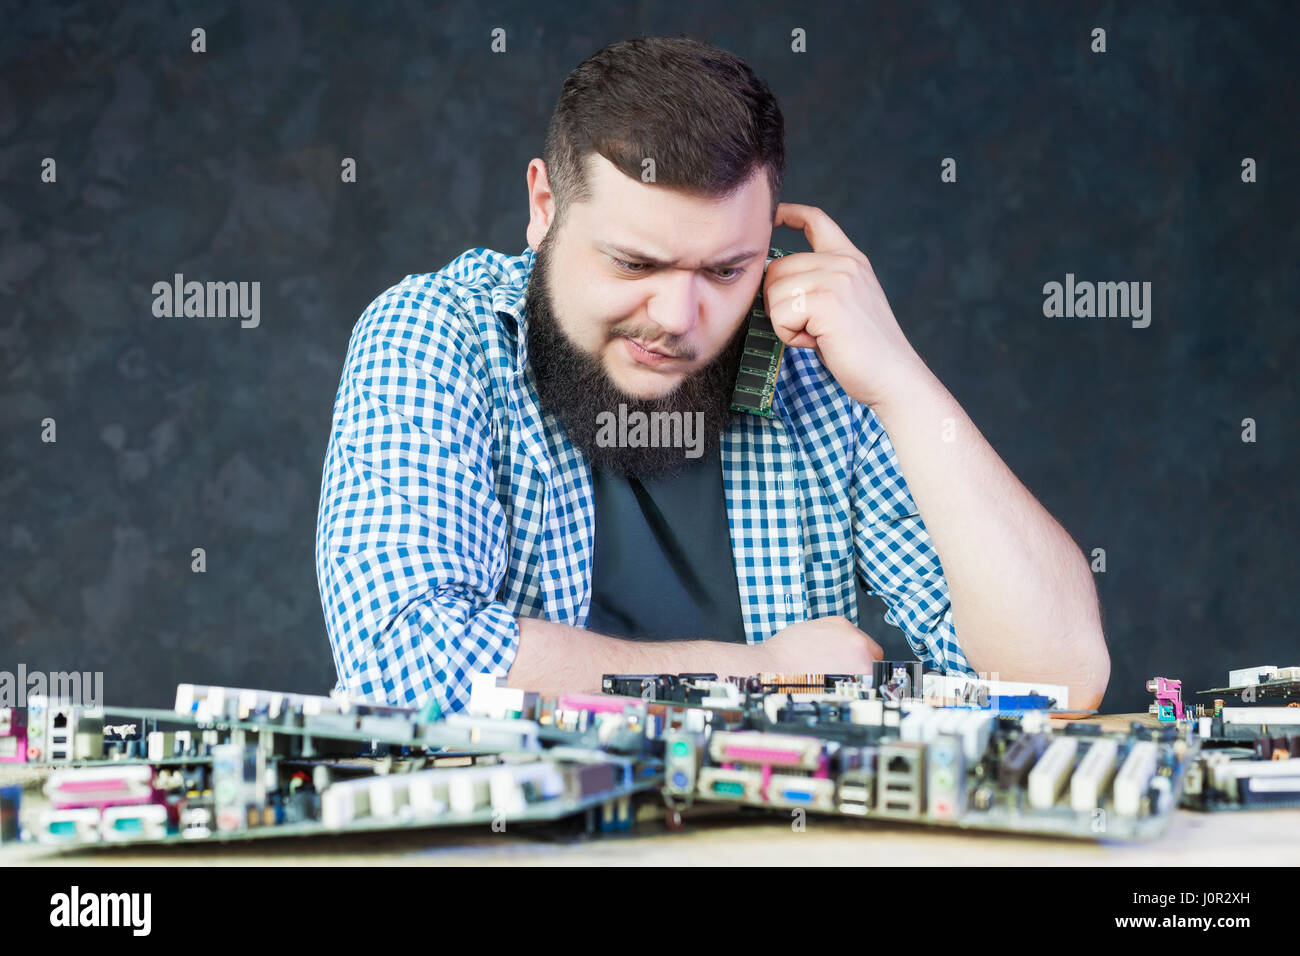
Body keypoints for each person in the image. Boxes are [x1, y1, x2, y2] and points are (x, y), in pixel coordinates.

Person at [314, 36, 1109, 714]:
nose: (675, 316)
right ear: (545, 206)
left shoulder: (820, 364)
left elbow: (1056, 683)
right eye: (634, 263)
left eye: (725, 270)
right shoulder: (438, 336)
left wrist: (900, 380)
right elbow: (404, 663)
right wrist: (764, 676)